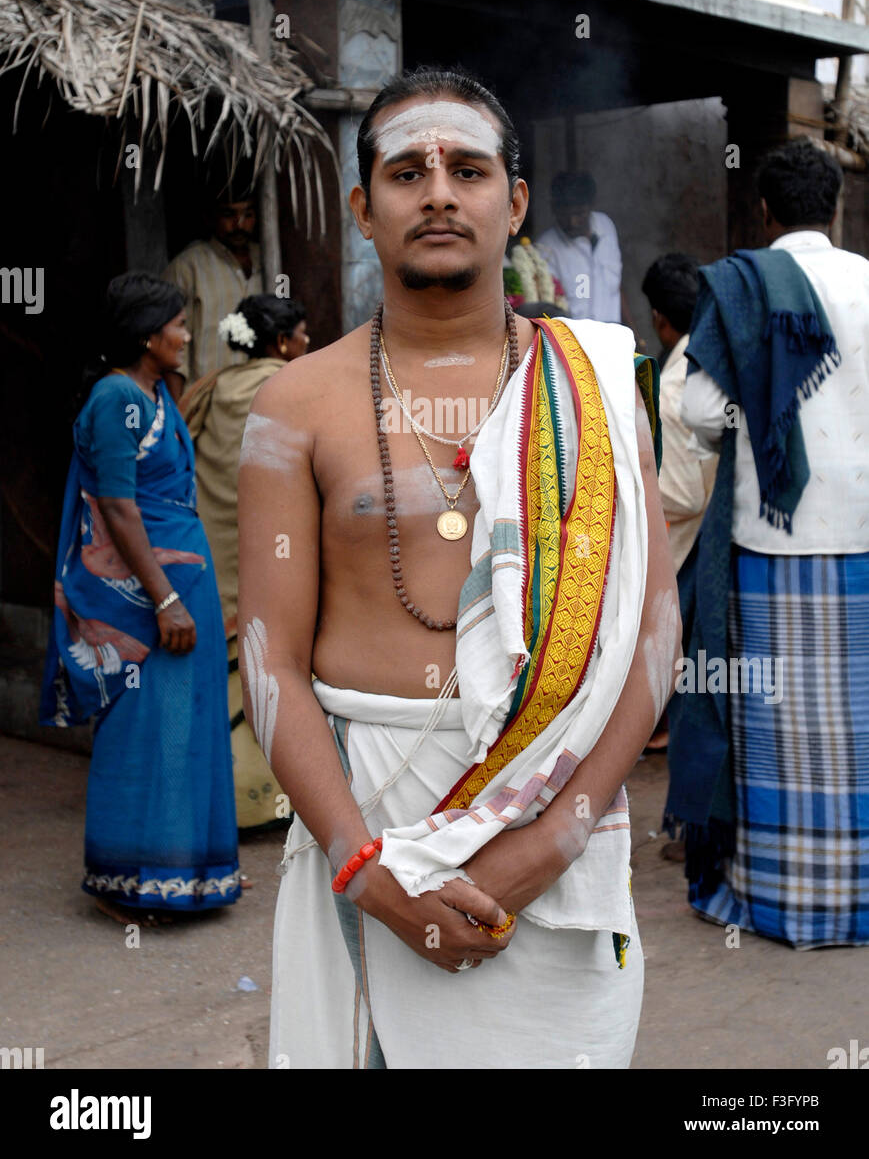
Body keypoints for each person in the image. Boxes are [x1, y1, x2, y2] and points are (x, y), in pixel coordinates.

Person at [238, 66, 681, 1069]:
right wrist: (367, 870)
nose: (438, 190)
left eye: (468, 168)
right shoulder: (294, 406)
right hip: (365, 829)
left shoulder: (598, 386)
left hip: (552, 826)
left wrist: (543, 846)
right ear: (363, 208)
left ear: (513, 201)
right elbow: (270, 664)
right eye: (405, 171)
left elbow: (653, 637)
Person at [667, 138, 869, 949]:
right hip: (860, 534)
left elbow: (697, 412)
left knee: (772, 729)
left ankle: (780, 896)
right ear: (838, 206)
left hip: (766, 540)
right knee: (856, 727)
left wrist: (764, 413)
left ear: (763, 210)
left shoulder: (739, 285)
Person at [40, 273, 241, 924]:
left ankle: (184, 877)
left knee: (188, 725)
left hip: (183, 585)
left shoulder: (155, 393)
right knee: (142, 727)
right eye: (179, 326)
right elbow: (120, 508)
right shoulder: (116, 398)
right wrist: (164, 601)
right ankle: (124, 881)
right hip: (147, 595)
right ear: (149, 336)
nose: (187, 335)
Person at [181, 294, 308, 829]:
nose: (308, 344)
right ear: (281, 343)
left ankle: (213, 796)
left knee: (219, 672)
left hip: (209, 556)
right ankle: (262, 800)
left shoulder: (208, 387)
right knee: (267, 666)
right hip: (268, 557)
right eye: (302, 335)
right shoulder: (290, 388)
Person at [641, 253, 717, 574]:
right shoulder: (714, 363)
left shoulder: (672, 388)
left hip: (687, 560)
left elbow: (685, 497)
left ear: (659, 319)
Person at [162, 197, 263, 400]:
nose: (239, 224)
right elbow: (171, 344)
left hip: (260, 398)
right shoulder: (187, 267)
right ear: (210, 218)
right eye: (229, 214)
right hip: (208, 402)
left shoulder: (270, 258)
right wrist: (179, 415)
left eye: (248, 215)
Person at [535, 171, 628, 323]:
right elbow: (547, 308)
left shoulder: (606, 226)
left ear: (592, 205)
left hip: (614, 335)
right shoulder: (544, 249)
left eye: (579, 213)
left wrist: (637, 336)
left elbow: (616, 287)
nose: (572, 222)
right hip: (573, 342)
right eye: (565, 214)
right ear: (553, 208)